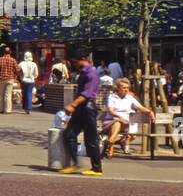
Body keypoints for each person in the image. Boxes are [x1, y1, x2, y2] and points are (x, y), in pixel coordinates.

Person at [58, 47, 103, 175]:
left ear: (83, 59)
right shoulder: (83, 72)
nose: (74, 64)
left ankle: (97, 168)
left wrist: (72, 105)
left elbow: (86, 94)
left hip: (88, 107)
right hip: (81, 107)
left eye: (76, 62)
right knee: (69, 134)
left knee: (91, 139)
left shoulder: (91, 73)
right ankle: (75, 163)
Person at [102, 78, 153, 157]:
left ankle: (110, 142)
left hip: (125, 123)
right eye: (124, 88)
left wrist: (149, 112)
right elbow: (111, 111)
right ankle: (111, 142)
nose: (126, 90)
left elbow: (140, 108)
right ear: (118, 88)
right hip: (110, 121)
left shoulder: (130, 98)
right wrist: (119, 117)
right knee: (117, 122)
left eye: (127, 88)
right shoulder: (112, 97)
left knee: (119, 123)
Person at [0, 47, 21, 114]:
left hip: (1, 79)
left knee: (2, 95)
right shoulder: (13, 60)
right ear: (10, 52)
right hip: (10, 79)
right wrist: (16, 76)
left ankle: (1, 109)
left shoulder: (0, 59)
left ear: (4, 52)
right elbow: (17, 70)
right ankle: (8, 110)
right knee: (8, 94)